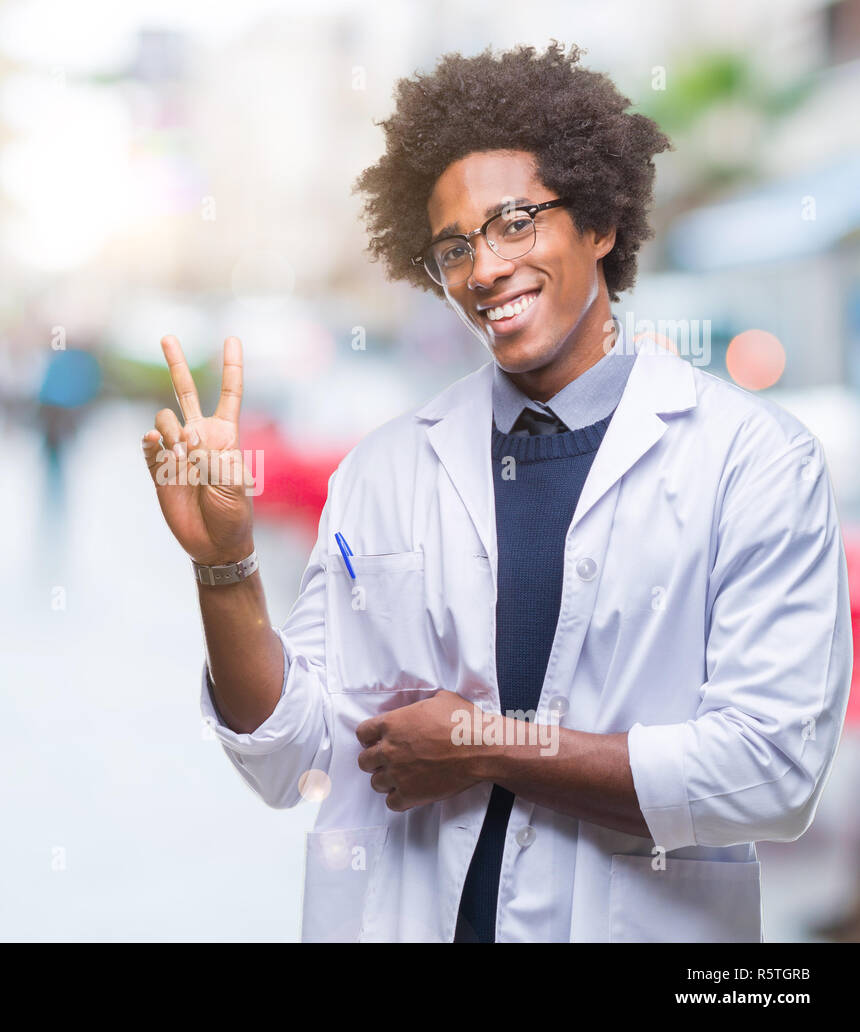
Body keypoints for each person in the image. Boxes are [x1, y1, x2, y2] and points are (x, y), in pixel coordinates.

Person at [140, 41, 853, 942]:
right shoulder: (386, 470)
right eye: (453, 247)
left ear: (598, 224)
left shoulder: (753, 461)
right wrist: (228, 569)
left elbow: (772, 771)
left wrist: (484, 745)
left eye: (516, 222)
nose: (483, 269)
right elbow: (295, 759)